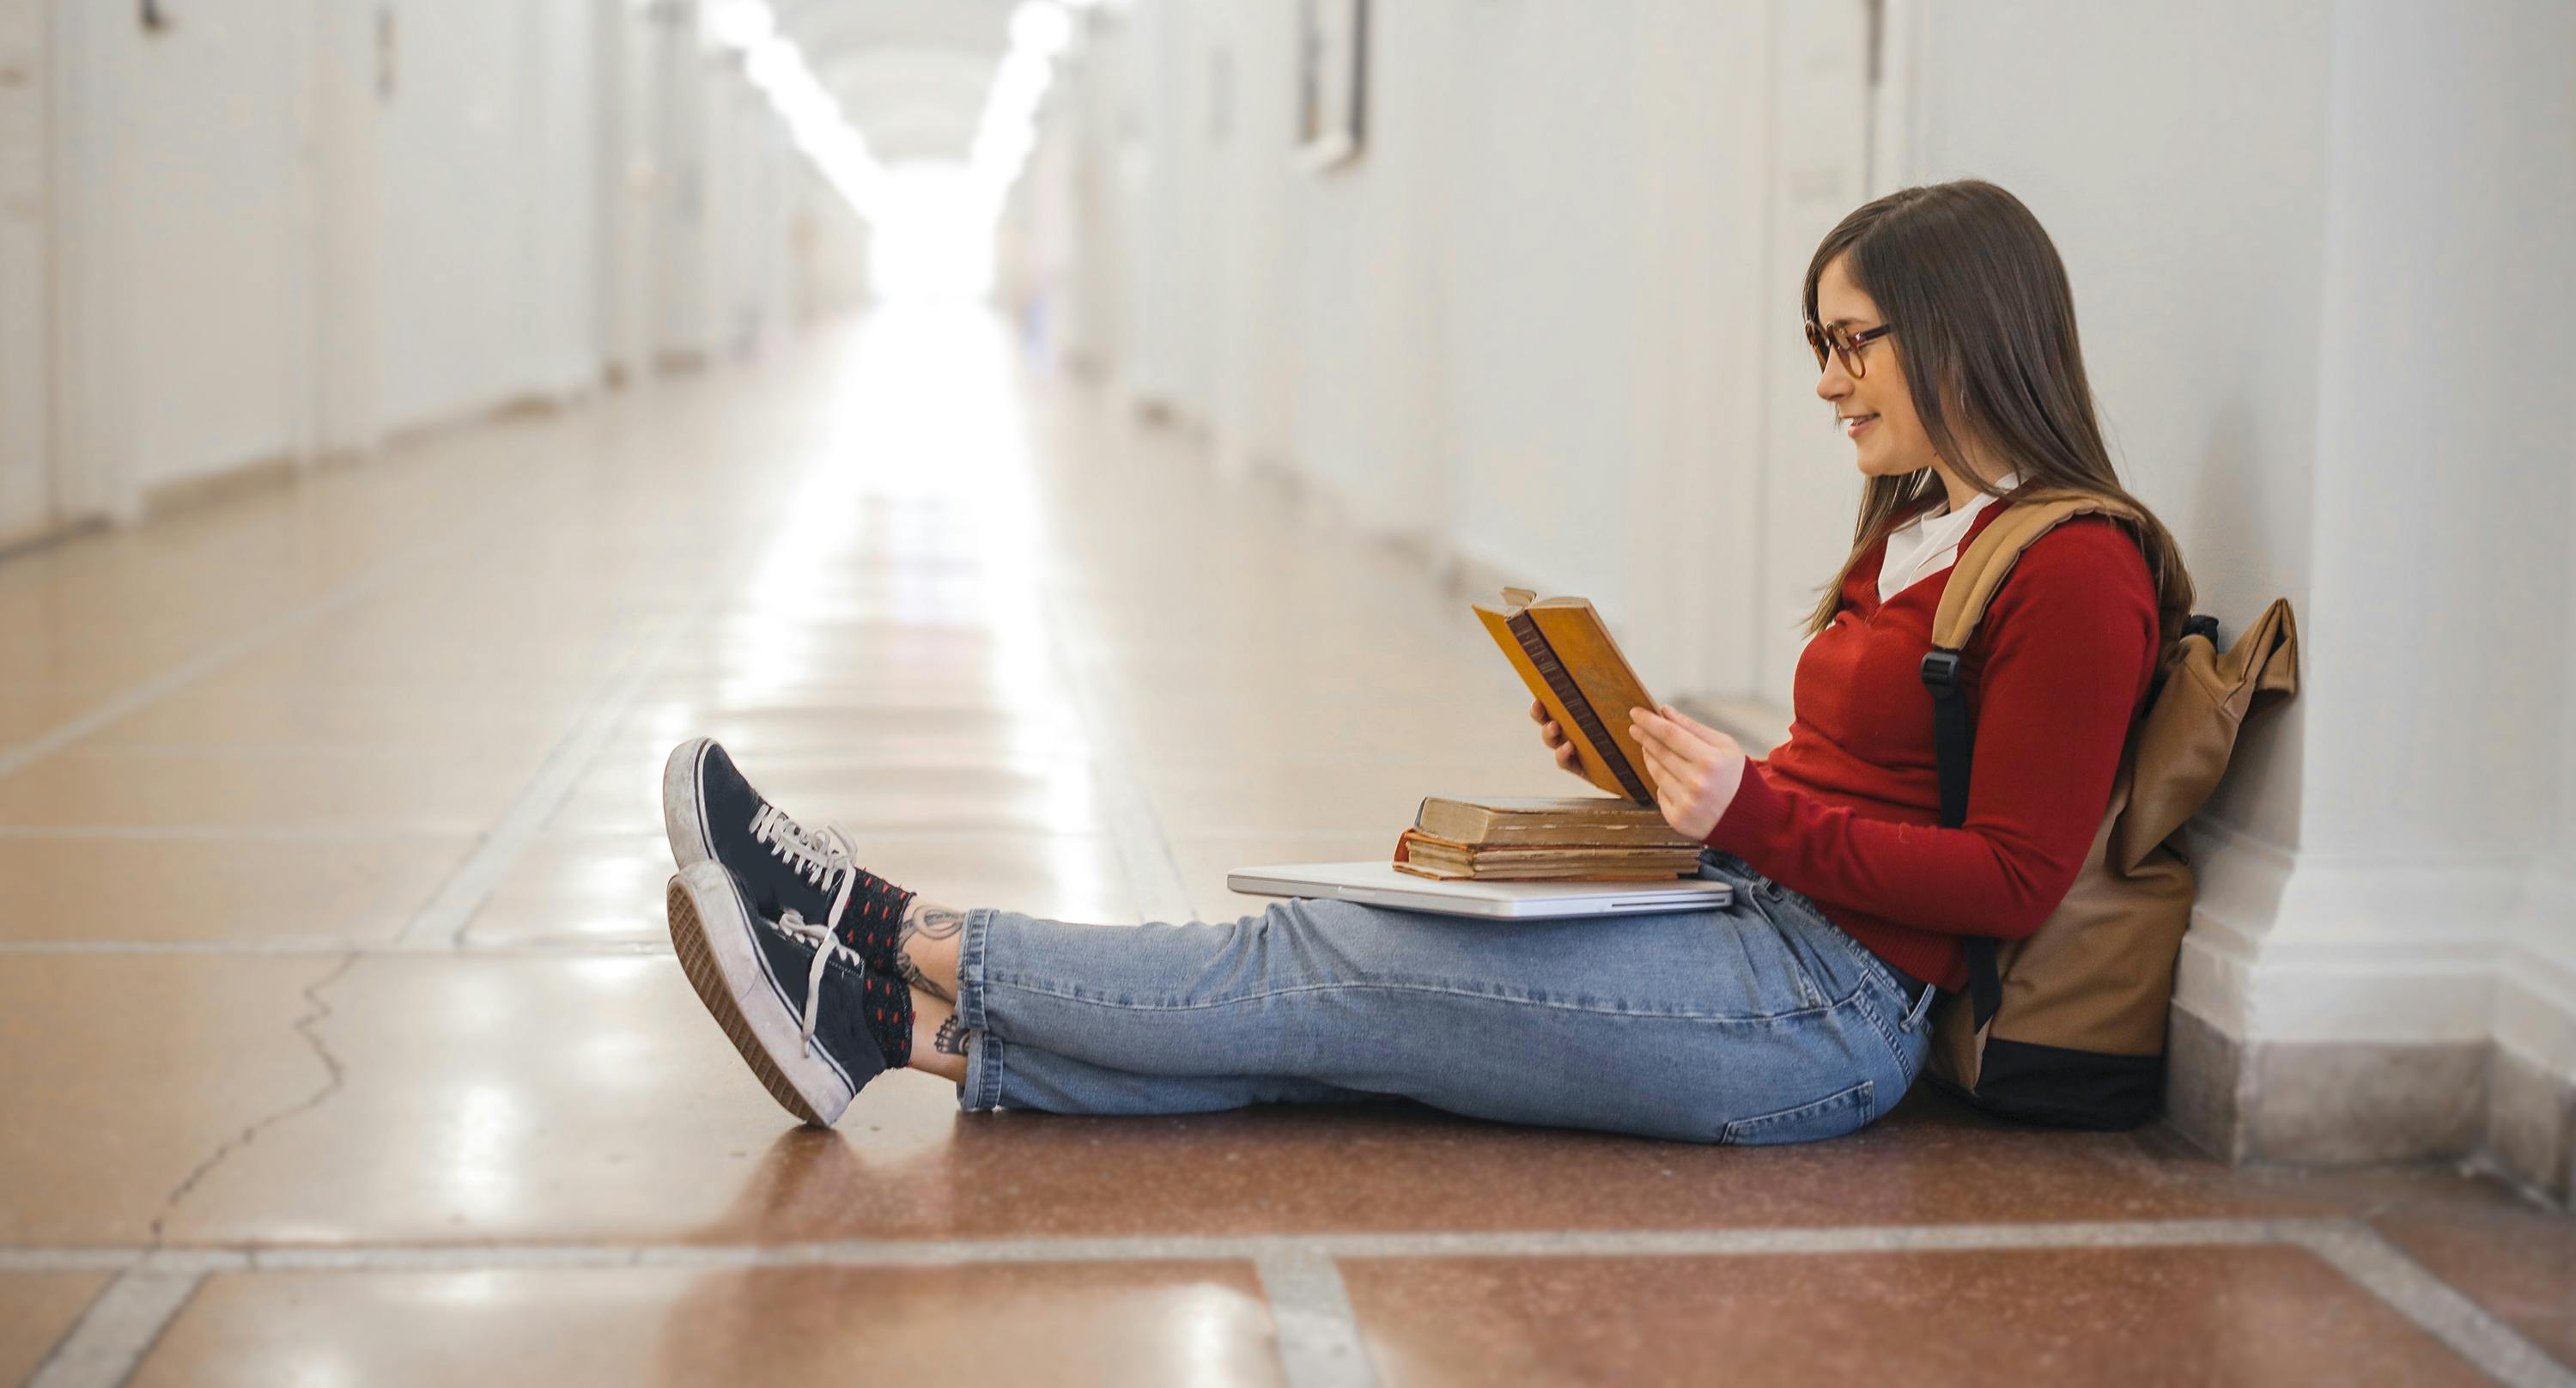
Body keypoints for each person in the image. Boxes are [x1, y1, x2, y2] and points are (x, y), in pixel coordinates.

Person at [660, 179, 2193, 1144]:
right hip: (1755, 918)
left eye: (1852, 341)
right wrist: (1654, 765)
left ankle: (887, 925)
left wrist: (1749, 813)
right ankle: (890, 1035)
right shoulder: (1920, 528)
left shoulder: (2076, 566)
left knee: (1322, 972)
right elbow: (1855, 781)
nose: (1826, 380)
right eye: (1822, 340)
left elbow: (2010, 881)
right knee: (1344, 1002)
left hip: (1821, 1021)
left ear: (1962, 335)